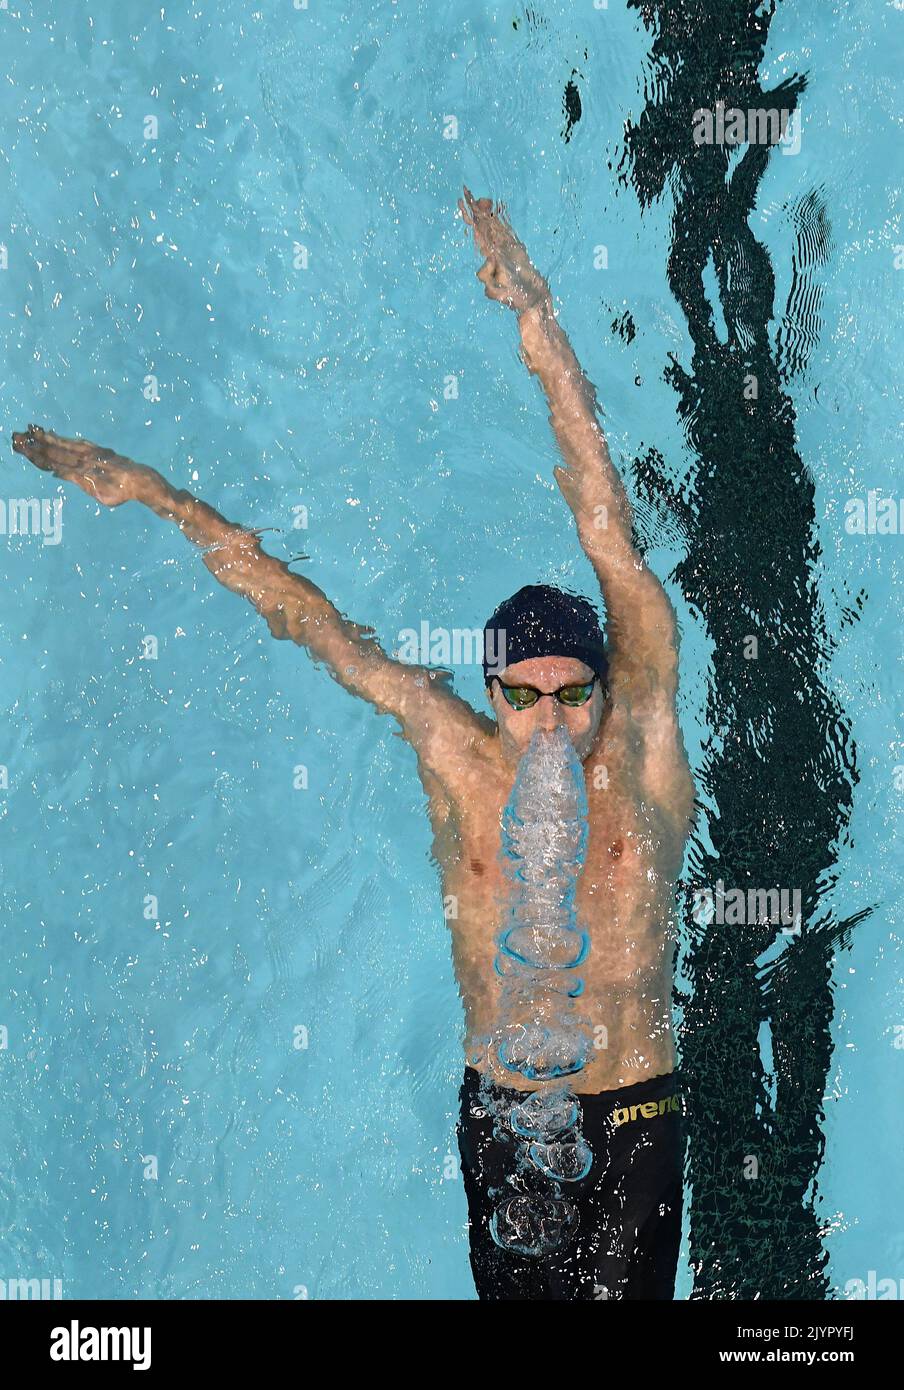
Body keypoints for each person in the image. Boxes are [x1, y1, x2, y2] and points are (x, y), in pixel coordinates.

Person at [12, 186, 696, 1301]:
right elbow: (305, 615)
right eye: (521, 699)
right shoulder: (454, 753)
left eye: (573, 695)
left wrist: (537, 320)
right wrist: (146, 493)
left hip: (632, 1113)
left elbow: (605, 525)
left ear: (609, 688)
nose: (549, 724)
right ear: (490, 694)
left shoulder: (648, 742)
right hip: (502, 1118)